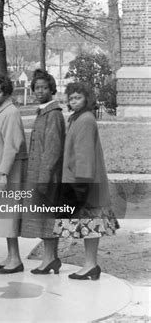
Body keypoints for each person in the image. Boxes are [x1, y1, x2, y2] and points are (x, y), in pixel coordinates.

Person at [53, 82, 119, 280]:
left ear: (87, 99)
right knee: (90, 224)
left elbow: (84, 154)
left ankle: (90, 265)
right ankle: (90, 264)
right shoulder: (78, 118)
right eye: (71, 98)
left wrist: (80, 184)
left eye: (78, 98)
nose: (73, 101)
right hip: (81, 178)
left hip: (84, 181)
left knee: (90, 223)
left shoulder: (85, 120)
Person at [21, 69, 65, 274]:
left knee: (47, 217)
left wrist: (44, 179)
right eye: (37, 88)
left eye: (44, 88)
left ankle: (50, 259)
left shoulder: (54, 114)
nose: (40, 91)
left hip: (46, 176)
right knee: (42, 217)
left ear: (52, 89)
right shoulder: (43, 111)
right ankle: (51, 259)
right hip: (38, 173)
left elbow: (53, 149)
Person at [0, 75, 28, 274]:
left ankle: (16, 259)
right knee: (2, 214)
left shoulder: (11, 113)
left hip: (9, 170)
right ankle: (10, 255)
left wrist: (3, 173)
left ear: (6, 92)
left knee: (9, 214)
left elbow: (12, 144)